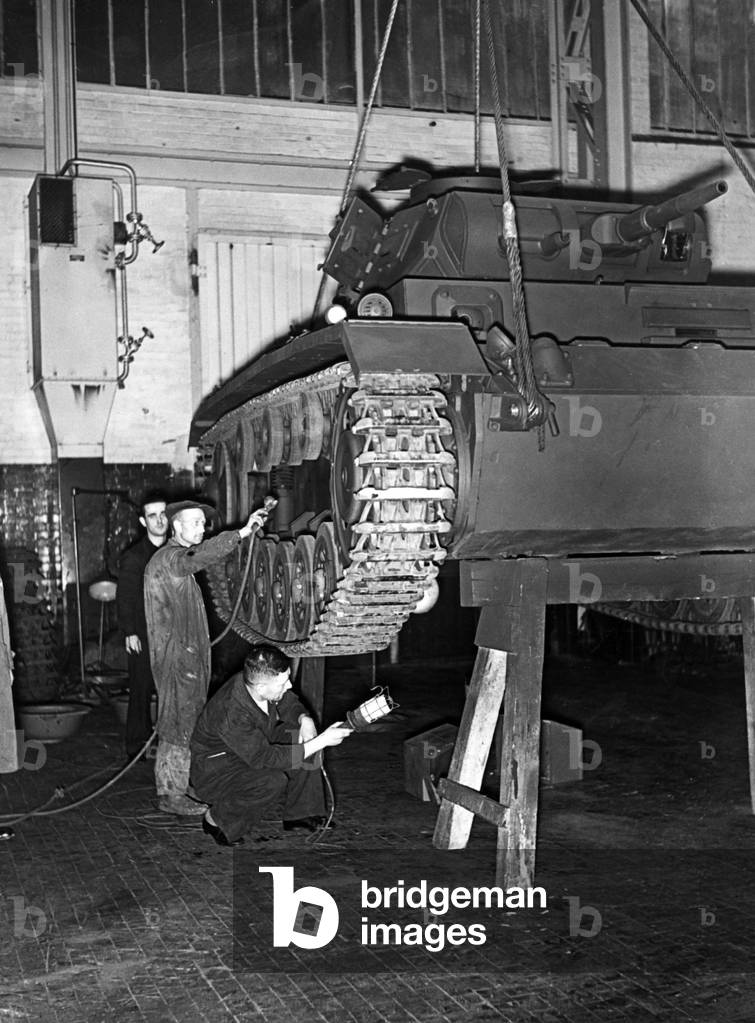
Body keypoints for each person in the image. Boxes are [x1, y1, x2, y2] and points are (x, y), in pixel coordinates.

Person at [144, 498, 272, 816]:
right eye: (196, 522)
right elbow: (197, 557)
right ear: (176, 526)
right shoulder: (170, 559)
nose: (202, 528)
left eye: (203, 522)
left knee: (184, 719)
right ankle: (171, 795)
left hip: (186, 655)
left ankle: (179, 785)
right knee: (178, 722)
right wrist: (240, 533)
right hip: (178, 658)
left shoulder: (173, 560)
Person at [190, 645, 352, 846]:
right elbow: (265, 758)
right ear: (260, 688)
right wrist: (321, 741)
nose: (289, 686)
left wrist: (304, 719)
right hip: (217, 770)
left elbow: (288, 701)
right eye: (283, 683)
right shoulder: (231, 712)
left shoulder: (260, 681)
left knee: (301, 739)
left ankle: (302, 813)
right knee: (272, 781)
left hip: (250, 745)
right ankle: (216, 820)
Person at [116, 493, 168, 760]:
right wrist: (130, 632)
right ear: (143, 521)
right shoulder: (134, 557)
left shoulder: (177, 550)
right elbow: (124, 595)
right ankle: (136, 748)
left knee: (170, 688)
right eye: (152, 516)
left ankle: (167, 743)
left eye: (163, 514)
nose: (159, 520)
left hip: (171, 633)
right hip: (143, 634)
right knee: (141, 688)